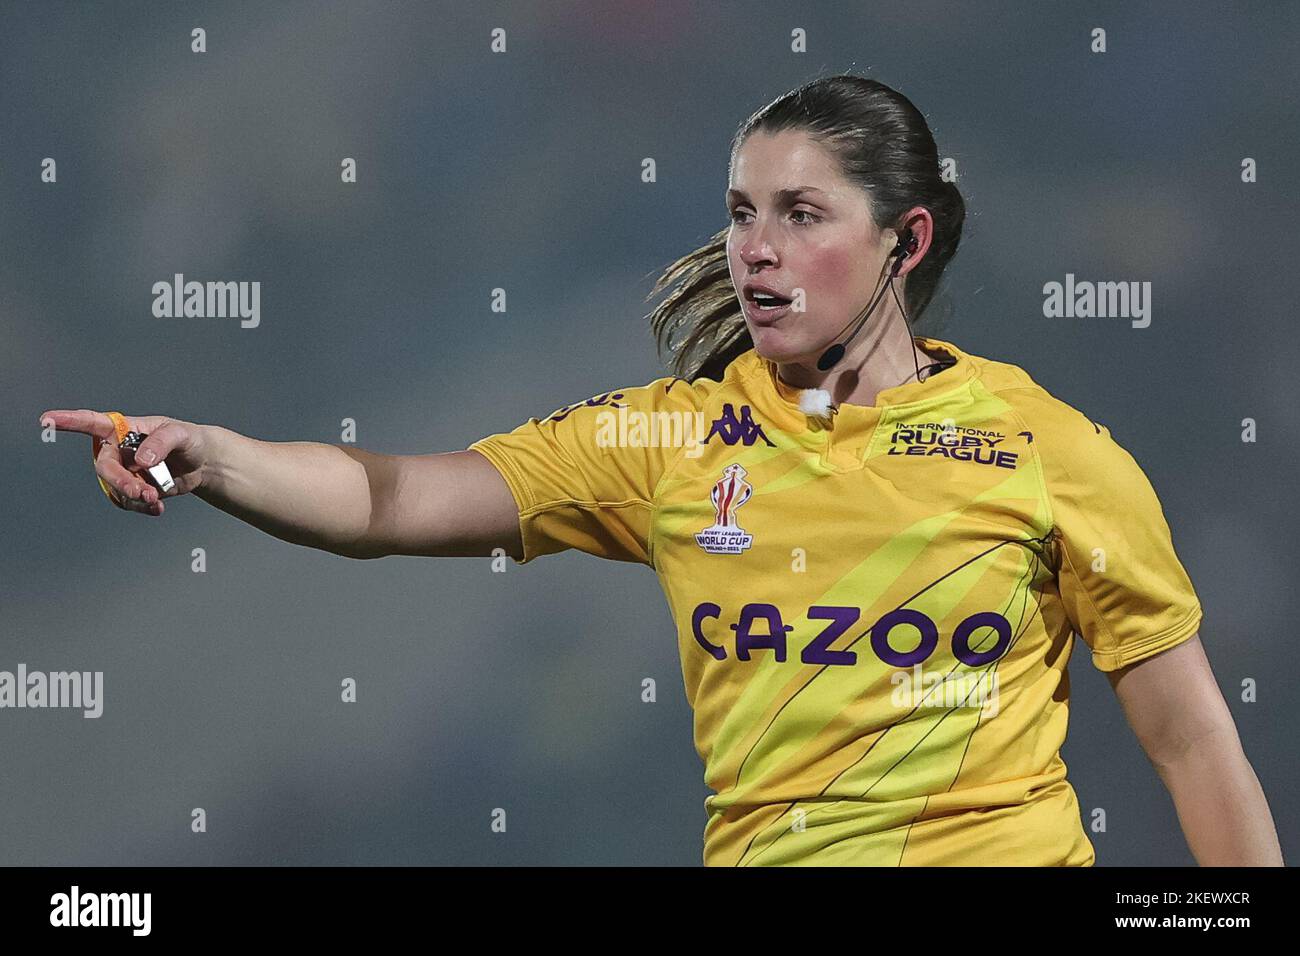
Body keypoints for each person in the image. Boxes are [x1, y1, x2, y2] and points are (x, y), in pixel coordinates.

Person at [41, 74, 1281, 867]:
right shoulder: (666, 438)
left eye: (801, 213)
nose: (755, 248)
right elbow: (389, 498)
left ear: (905, 239)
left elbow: (1188, 741)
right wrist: (215, 457)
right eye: (742, 212)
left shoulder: (1046, 449)